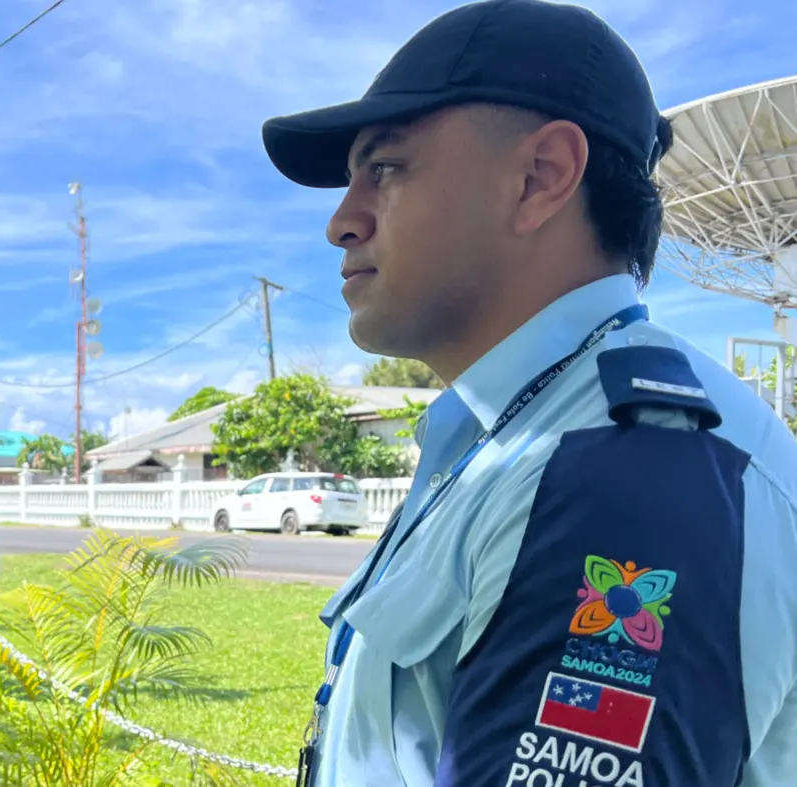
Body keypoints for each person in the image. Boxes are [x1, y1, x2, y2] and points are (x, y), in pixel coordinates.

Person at [260, 1, 797, 785]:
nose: (342, 221)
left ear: (540, 177)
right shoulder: (511, 437)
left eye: (385, 167)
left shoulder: (626, 475)